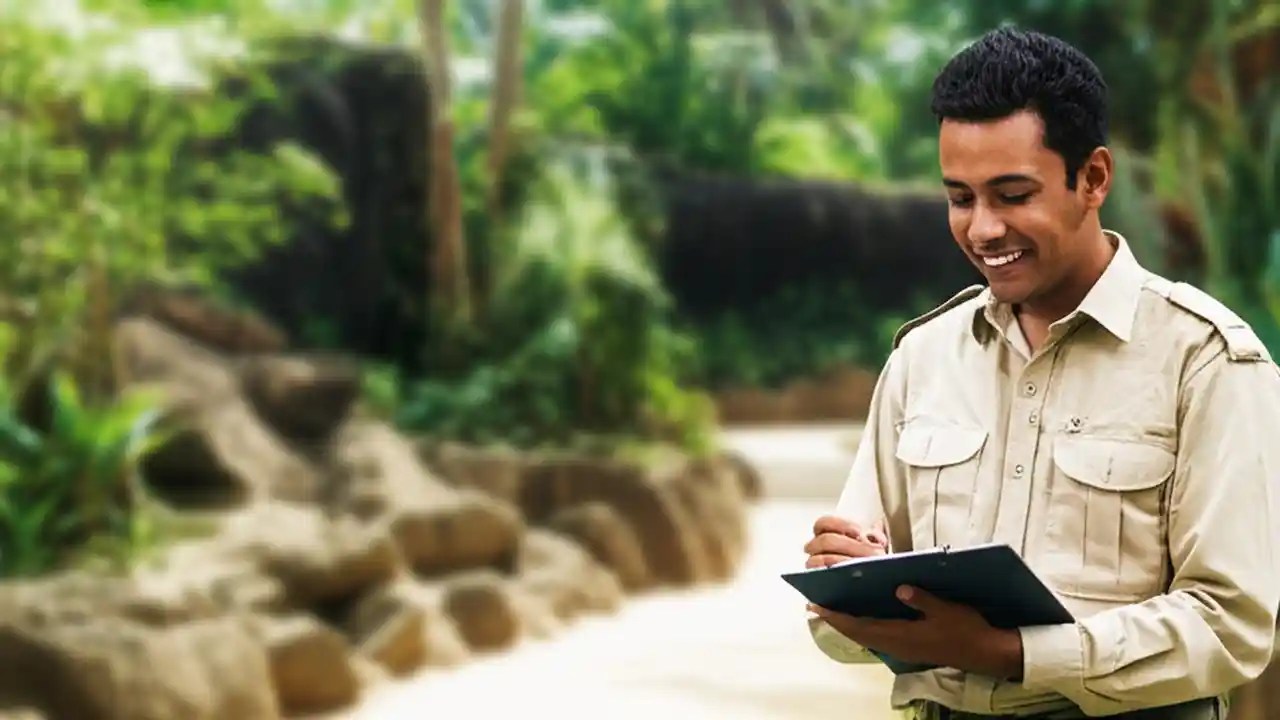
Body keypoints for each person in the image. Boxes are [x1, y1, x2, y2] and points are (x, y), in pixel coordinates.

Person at [803, 26, 1280, 720]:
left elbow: (1232, 625)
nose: (983, 229)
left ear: (1093, 178)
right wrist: (843, 579)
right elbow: (836, 622)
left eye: (1012, 194)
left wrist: (1009, 653)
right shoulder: (924, 357)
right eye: (960, 198)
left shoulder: (1206, 361)